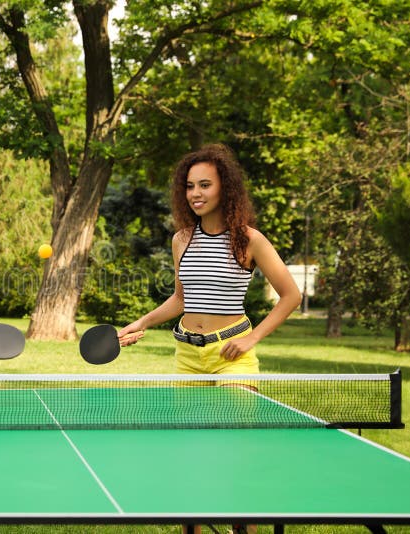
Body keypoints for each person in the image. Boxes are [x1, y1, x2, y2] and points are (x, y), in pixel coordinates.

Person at [117, 144, 301, 534]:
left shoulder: (248, 240)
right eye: (189, 186)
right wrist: (143, 322)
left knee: (233, 452)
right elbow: (183, 297)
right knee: (191, 452)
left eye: (205, 185)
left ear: (225, 189)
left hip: (232, 353)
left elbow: (291, 296)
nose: (196, 193)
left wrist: (253, 340)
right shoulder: (182, 239)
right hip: (186, 355)